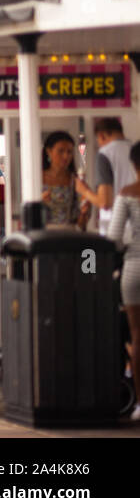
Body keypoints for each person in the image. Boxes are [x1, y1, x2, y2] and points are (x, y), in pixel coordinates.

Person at [108, 142, 140, 422]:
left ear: (134, 166)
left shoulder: (127, 194)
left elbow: (115, 237)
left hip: (134, 271)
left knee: (137, 335)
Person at [77, 117, 136, 233]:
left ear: (102, 136)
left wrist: (84, 191)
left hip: (115, 229)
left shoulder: (105, 154)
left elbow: (105, 202)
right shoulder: (135, 150)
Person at [40, 131, 88, 229]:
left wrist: (84, 212)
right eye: (61, 151)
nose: (66, 156)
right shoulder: (36, 178)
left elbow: (81, 224)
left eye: (69, 152)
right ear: (49, 151)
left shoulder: (75, 181)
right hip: (43, 234)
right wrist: (39, 201)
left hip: (68, 234)